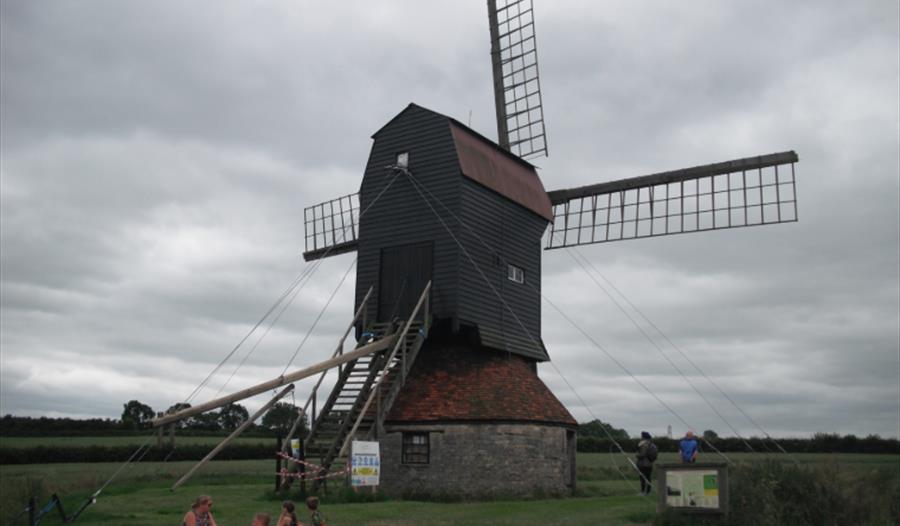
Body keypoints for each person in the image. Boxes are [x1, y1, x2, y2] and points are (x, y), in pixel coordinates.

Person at [636, 431, 658, 495]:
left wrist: (637, 455)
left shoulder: (644, 444)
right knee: (648, 477)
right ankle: (648, 492)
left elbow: (642, 454)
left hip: (643, 464)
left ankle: (643, 492)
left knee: (642, 478)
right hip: (649, 464)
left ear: (643, 437)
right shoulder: (652, 444)